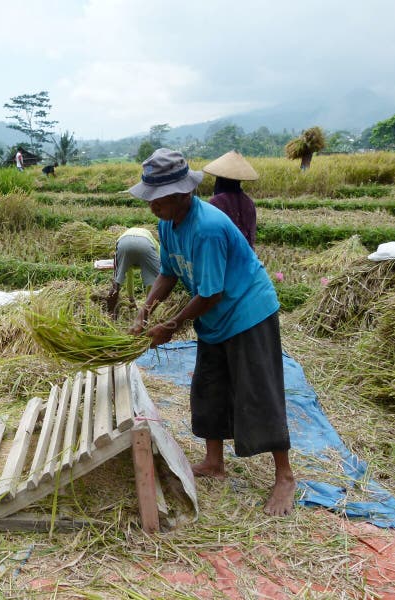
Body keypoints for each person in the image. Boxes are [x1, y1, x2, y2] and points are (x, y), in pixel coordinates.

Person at [127, 148, 296, 517]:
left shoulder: (207, 228)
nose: (152, 206)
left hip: (247, 310)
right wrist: (145, 310)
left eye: (158, 199)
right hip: (216, 316)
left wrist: (170, 326)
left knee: (258, 390)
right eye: (150, 199)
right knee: (209, 384)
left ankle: (285, 476)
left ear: (183, 193)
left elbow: (211, 292)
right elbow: (169, 273)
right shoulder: (167, 224)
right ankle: (214, 462)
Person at [203, 150, 259, 248]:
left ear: (219, 180)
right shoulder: (248, 202)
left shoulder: (215, 202)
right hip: (246, 256)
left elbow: (211, 235)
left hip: (224, 255)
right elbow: (251, 235)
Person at [106, 227, 160, 318]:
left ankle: (111, 313)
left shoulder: (130, 233)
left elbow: (129, 277)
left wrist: (131, 299)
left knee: (117, 282)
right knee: (156, 280)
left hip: (123, 243)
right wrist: (147, 299)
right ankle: (147, 314)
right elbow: (152, 281)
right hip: (145, 244)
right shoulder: (155, 243)